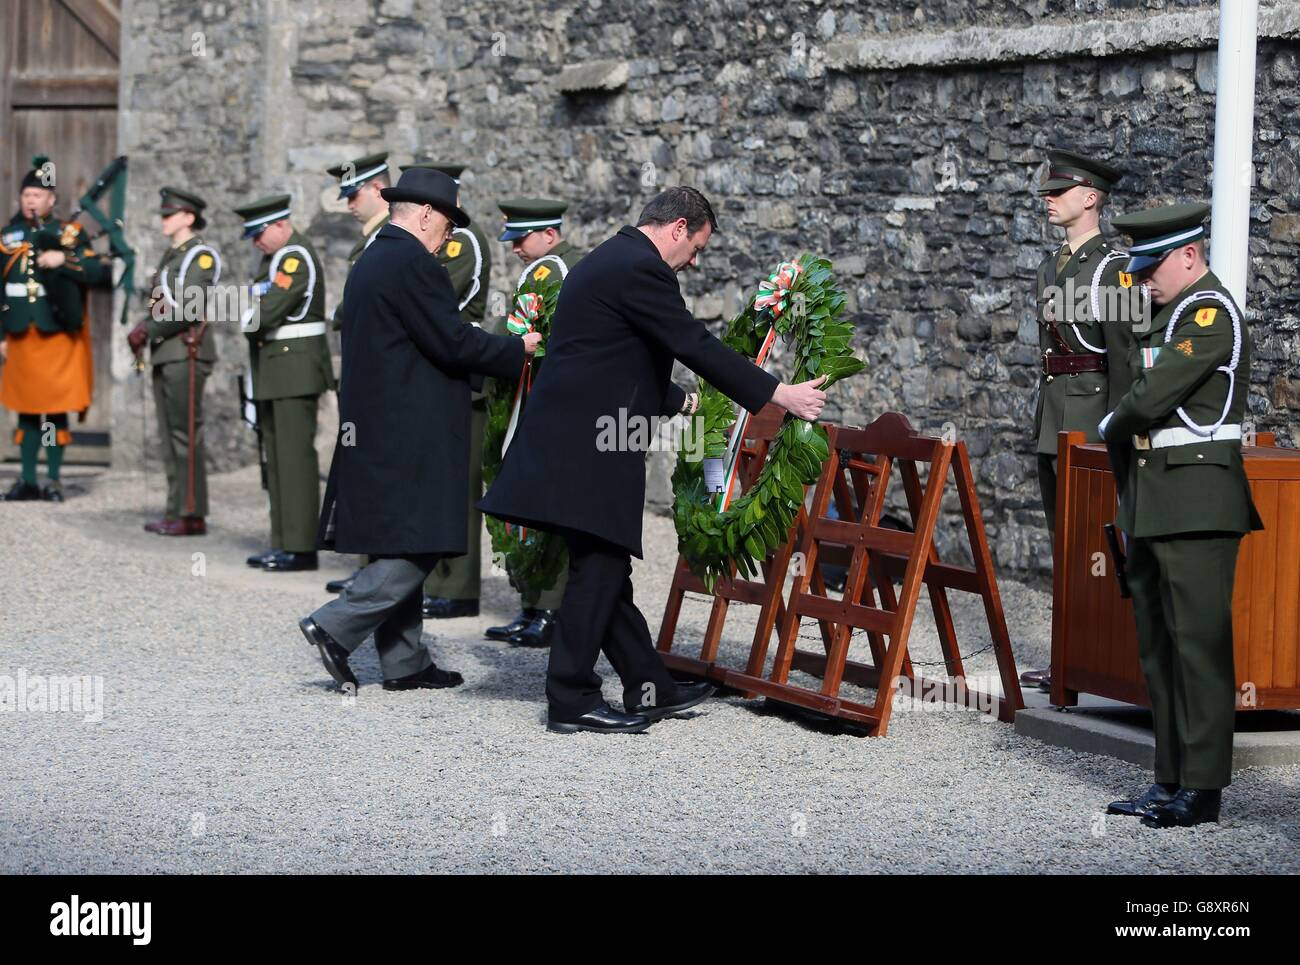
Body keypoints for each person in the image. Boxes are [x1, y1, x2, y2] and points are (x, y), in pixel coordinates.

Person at [479, 186, 827, 734]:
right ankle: (569, 698)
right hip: (590, 446)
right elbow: (693, 343)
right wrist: (778, 393)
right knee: (600, 568)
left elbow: (614, 356)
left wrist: (684, 401)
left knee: (606, 570)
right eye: (697, 247)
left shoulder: (609, 258)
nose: (694, 260)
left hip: (576, 438)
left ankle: (650, 687)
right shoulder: (641, 269)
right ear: (678, 227)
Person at [299, 167, 540, 692]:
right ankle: (336, 625)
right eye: (449, 224)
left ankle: (403, 662)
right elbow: (451, 341)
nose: (449, 236)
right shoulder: (411, 263)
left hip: (379, 419)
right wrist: (513, 350)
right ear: (427, 213)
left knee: (396, 538)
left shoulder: (376, 258)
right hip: (411, 424)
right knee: (422, 539)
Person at [1101, 202, 1263, 829]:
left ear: (1190, 255)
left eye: (1154, 267)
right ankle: (1169, 775)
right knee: (1159, 647)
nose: (1144, 281)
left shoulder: (1209, 312)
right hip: (1154, 497)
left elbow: (1150, 395)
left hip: (1197, 501)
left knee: (1197, 648)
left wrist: (1112, 422)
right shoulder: (1167, 313)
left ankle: (1202, 787)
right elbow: (1117, 344)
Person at [1021, 148, 1135, 691]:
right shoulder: (1051, 266)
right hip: (1055, 419)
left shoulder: (1114, 269)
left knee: (1096, 543)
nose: (1049, 199)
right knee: (1063, 542)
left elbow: (1123, 359)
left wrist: (1118, 432)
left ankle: (1100, 656)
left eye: (1059, 192)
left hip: (1092, 423)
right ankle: (1066, 656)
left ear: (1090, 198)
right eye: (1048, 192)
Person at [475, 198, 584, 647]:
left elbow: (519, 333)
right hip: (535, 396)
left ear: (549, 235)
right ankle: (533, 604)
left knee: (548, 509)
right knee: (531, 506)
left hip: (545, 399)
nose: (515, 248)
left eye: (521, 239)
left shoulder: (554, 271)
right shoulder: (552, 268)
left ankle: (550, 609)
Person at [397, 161, 496, 620]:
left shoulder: (462, 241)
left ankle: (456, 587)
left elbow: (439, 298)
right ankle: (429, 579)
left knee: (458, 484)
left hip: (462, 362)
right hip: (437, 361)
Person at [232, 194, 333, 572]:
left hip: (295, 368)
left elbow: (266, 311)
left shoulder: (294, 256)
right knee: (275, 461)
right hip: (276, 369)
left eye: (260, 233)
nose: (257, 242)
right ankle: (283, 541)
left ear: (280, 225)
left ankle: (301, 546)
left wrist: (246, 319)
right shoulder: (273, 258)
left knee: (294, 461)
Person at [0, 154, 110, 502]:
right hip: (20, 333)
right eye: (26, 194)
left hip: (58, 331)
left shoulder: (69, 234)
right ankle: (28, 479)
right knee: (27, 411)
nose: (30, 200)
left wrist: (66, 259)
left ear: (51, 199)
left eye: (37, 194)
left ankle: (53, 479)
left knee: (53, 409)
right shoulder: (7, 236)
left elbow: (97, 273)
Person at [127, 187, 220, 535]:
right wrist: (148, 332)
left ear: (188, 217)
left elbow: (190, 307)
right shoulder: (173, 256)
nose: (164, 220)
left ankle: (191, 513)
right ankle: (176, 509)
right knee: (169, 436)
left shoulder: (200, 256)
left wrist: (146, 329)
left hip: (187, 350)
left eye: (170, 214)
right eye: (163, 214)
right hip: (168, 352)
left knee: (185, 435)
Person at [322, 151, 391, 594]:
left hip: (381, 371)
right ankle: (370, 565)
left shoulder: (388, 238)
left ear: (379, 190)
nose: (349, 203)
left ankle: (380, 569)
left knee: (377, 470)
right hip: (363, 367)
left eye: (355, 193)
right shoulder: (368, 240)